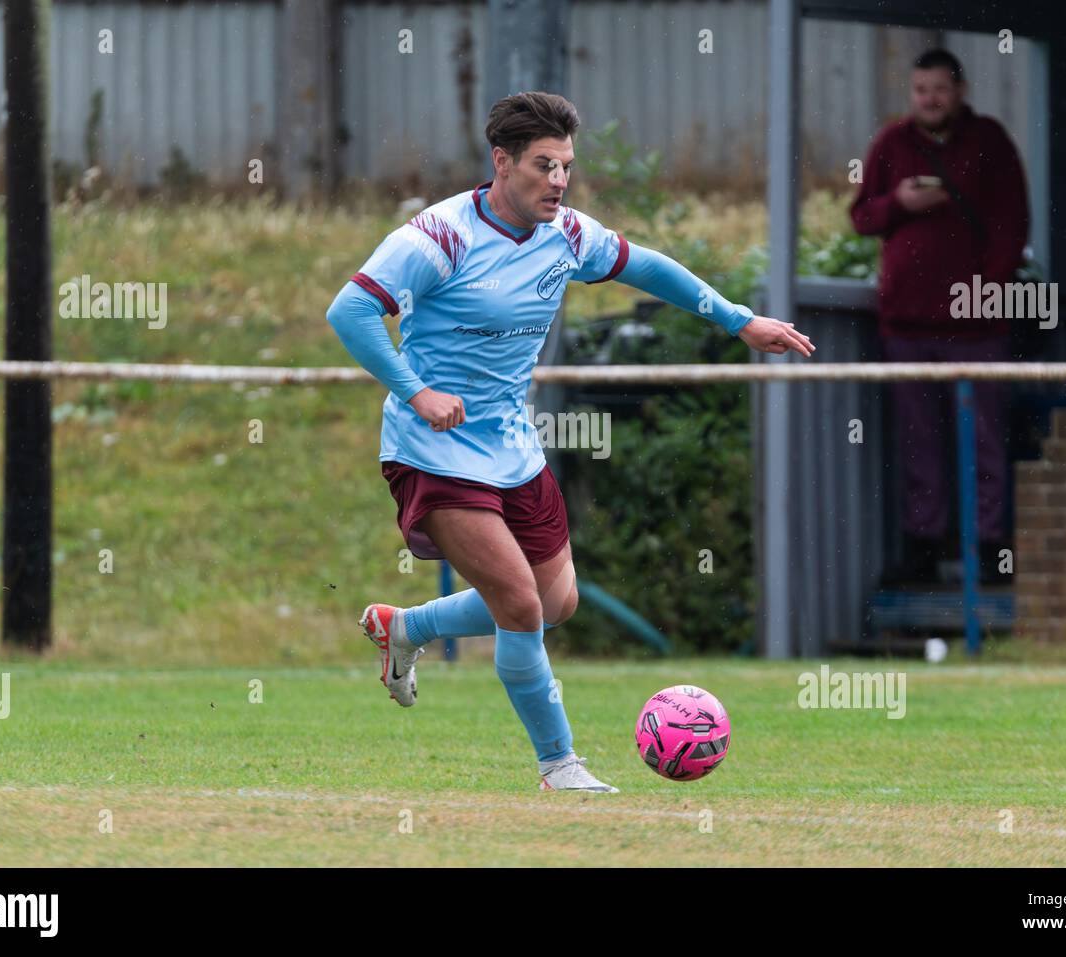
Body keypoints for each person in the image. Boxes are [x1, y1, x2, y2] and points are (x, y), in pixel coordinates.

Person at [326, 91, 814, 792]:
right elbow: (350, 311)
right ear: (502, 162)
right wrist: (416, 391)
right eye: (543, 165)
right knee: (520, 605)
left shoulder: (569, 235)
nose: (559, 180)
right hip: (432, 449)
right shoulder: (439, 237)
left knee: (556, 604)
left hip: (511, 444)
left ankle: (409, 626)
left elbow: (647, 266)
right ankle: (560, 765)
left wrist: (739, 321)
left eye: (566, 166)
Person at [849, 49, 1029, 586]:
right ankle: (925, 549)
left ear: (961, 89)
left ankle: (991, 549)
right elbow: (862, 216)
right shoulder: (892, 143)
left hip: (979, 325)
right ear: (911, 94)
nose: (930, 99)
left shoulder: (990, 142)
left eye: (940, 89)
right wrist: (900, 203)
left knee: (986, 439)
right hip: (906, 324)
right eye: (921, 89)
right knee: (918, 442)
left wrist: (986, 292)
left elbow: (1011, 226)